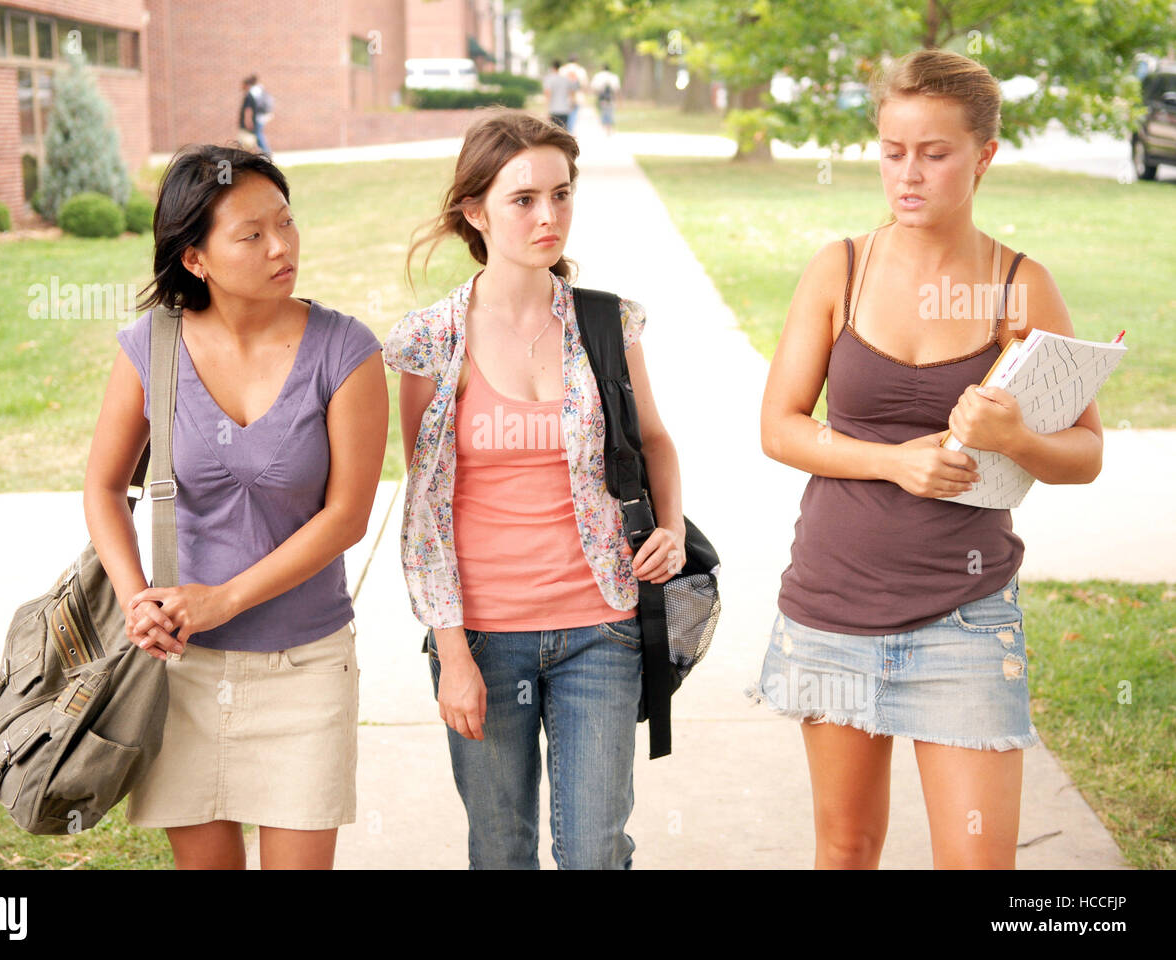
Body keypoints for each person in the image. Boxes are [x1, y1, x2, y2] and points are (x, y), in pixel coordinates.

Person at [750, 49, 1105, 869]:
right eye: (892, 151)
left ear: (983, 157)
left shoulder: (1021, 286)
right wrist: (894, 463)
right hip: (830, 605)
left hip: (966, 617)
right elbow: (779, 426)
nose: (907, 175)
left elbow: (1085, 453)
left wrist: (1015, 437)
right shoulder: (840, 267)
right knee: (845, 849)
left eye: (934, 153)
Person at [383, 108, 686, 869]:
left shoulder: (606, 323)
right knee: (501, 847)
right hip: (483, 639)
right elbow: (426, 518)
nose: (549, 215)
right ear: (475, 211)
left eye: (562, 193)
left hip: (601, 628)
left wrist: (671, 530)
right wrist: (452, 654)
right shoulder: (430, 341)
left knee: (594, 849)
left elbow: (654, 442)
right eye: (523, 199)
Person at [83, 144, 388, 869]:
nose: (281, 246)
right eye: (252, 235)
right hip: (178, 673)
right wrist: (137, 602)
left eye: (285, 222)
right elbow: (102, 486)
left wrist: (223, 599)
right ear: (196, 259)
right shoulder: (151, 349)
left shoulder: (346, 351)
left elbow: (346, 515)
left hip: (305, 666)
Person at [239, 75, 272, 155]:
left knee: (257, 136)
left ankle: (267, 153)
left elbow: (248, 110)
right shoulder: (258, 92)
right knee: (258, 135)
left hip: (254, 120)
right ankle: (265, 152)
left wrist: (248, 121)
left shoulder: (250, 95)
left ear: (247, 84)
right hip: (259, 118)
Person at [559, 55, 589, 133]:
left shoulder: (562, 69)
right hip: (577, 96)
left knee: (565, 115)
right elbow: (584, 84)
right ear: (576, 61)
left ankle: (565, 131)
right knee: (574, 114)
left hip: (564, 96)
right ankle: (570, 131)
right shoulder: (580, 70)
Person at [591, 63, 621, 135]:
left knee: (603, 112)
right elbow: (617, 89)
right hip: (611, 98)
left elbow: (594, 88)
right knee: (610, 112)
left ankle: (604, 127)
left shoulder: (598, 76)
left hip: (602, 98)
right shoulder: (613, 76)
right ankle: (609, 127)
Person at [542, 60, 573, 129]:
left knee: (555, 133)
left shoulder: (549, 79)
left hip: (554, 110)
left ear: (552, 67)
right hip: (565, 109)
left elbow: (548, 95)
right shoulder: (566, 79)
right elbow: (570, 93)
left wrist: (546, 110)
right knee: (564, 132)